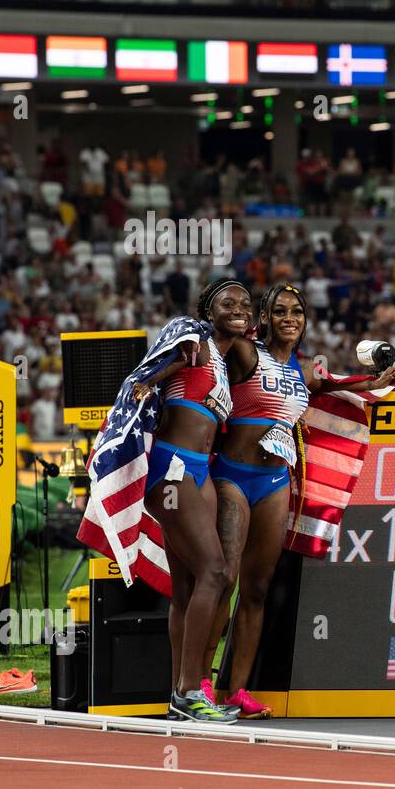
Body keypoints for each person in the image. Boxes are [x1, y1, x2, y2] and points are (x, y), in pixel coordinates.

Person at [205, 284, 395, 718]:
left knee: (256, 589)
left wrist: (378, 381)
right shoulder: (243, 350)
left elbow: (331, 387)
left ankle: (235, 693)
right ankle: (200, 686)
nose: (289, 318)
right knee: (225, 577)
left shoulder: (300, 370)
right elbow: (211, 341)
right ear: (265, 316)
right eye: (279, 311)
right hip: (232, 476)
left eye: (296, 311)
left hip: (274, 481)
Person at [129, 279, 252, 723]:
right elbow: (145, 377)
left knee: (186, 588)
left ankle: (179, 696)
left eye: (244, 303)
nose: (238, 307)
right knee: (217, 572)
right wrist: (163, 371)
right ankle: (188, 690)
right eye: (227, 301)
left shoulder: (223, 357)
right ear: (207, 308)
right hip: (173, 466)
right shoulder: (192, 337)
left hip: (198, 467)